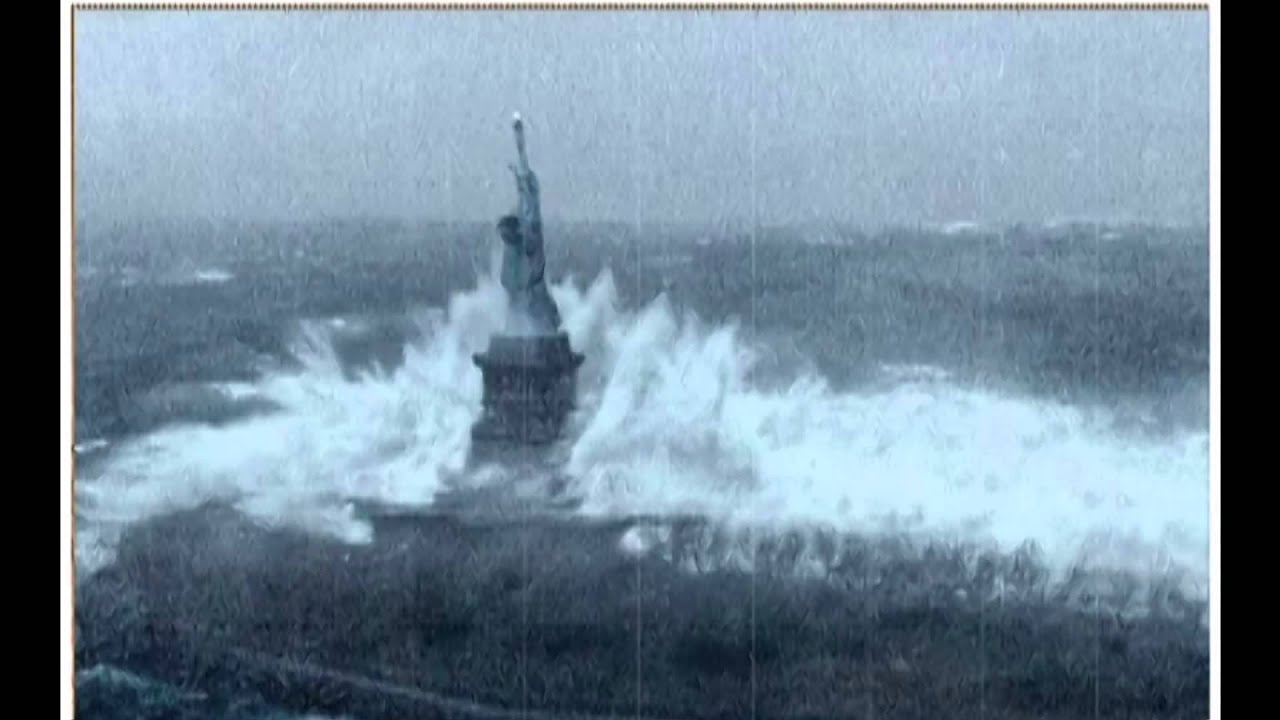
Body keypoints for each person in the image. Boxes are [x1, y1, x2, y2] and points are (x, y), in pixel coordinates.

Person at [497, 115, 561, 334]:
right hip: (526, 251)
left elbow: (523, 161)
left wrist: (519, 135)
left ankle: (548, 322)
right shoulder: (525, 202)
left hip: (531, 248)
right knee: (522, 292)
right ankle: (532, 325)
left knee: (533, 290)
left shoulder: (530, 204)